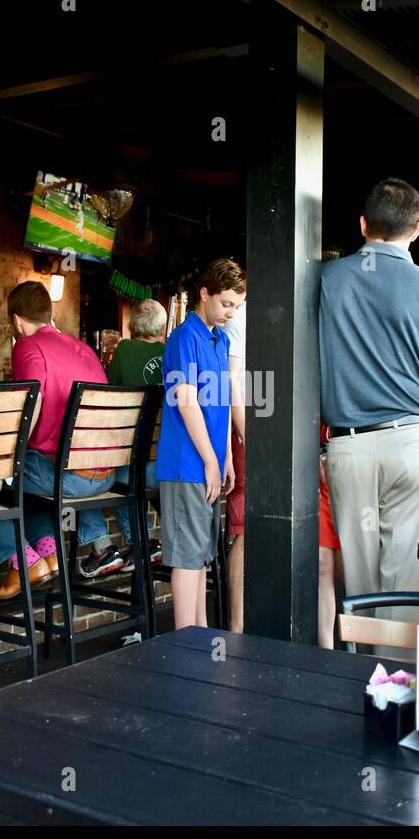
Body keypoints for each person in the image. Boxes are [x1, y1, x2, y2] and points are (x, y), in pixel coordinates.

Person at [320, 178, 419, 600]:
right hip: (412, 443)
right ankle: (398, 667)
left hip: (348, 447)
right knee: (407, 578)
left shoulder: (326, 280)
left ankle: (363, 664)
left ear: (363, 223)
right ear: (417, 229)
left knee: (360, 578)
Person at [0, 282, 120, 598]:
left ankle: (22, 562)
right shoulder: (83, 348)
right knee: (28, 474)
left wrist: (3, 461)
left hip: (67, 478)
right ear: (49, 313)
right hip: (104, 476)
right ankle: (50, 553)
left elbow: (33, 404)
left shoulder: (28, 346)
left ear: (16, 320)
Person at [158, 258, 246, 629]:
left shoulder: (220, 339)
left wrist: (225, 457)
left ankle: (199, 638)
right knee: (187, 560)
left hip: (208, 461)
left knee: (200, 557)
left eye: (237, 307)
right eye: (226, 304)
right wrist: (211, 459)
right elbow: (186, 400)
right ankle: (184, 644)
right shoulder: (183, 338)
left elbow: (223, 404)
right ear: (204, 293)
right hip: (185, 464)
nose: (231, 313)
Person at [86, 298, 168, 577]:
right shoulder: (171, 352)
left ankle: (140, 542)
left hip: (133, 471)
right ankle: (151, 543)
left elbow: (107, 400)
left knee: (118, 469)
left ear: (132, 326)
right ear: (162, 327)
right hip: (166, 469)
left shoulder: (124, 349)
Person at [223, 299, 247, 633]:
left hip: (279, 421)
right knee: (246, 528)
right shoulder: (243, 314)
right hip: (251, 424)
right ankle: (238, 627)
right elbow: (232, 381)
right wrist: (245, 433)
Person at [317, 425, 342, 650]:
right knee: (323, 566)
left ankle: (358, 645)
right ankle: (327, 648)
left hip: (354, 466)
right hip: (323, 468)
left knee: (351, 569)